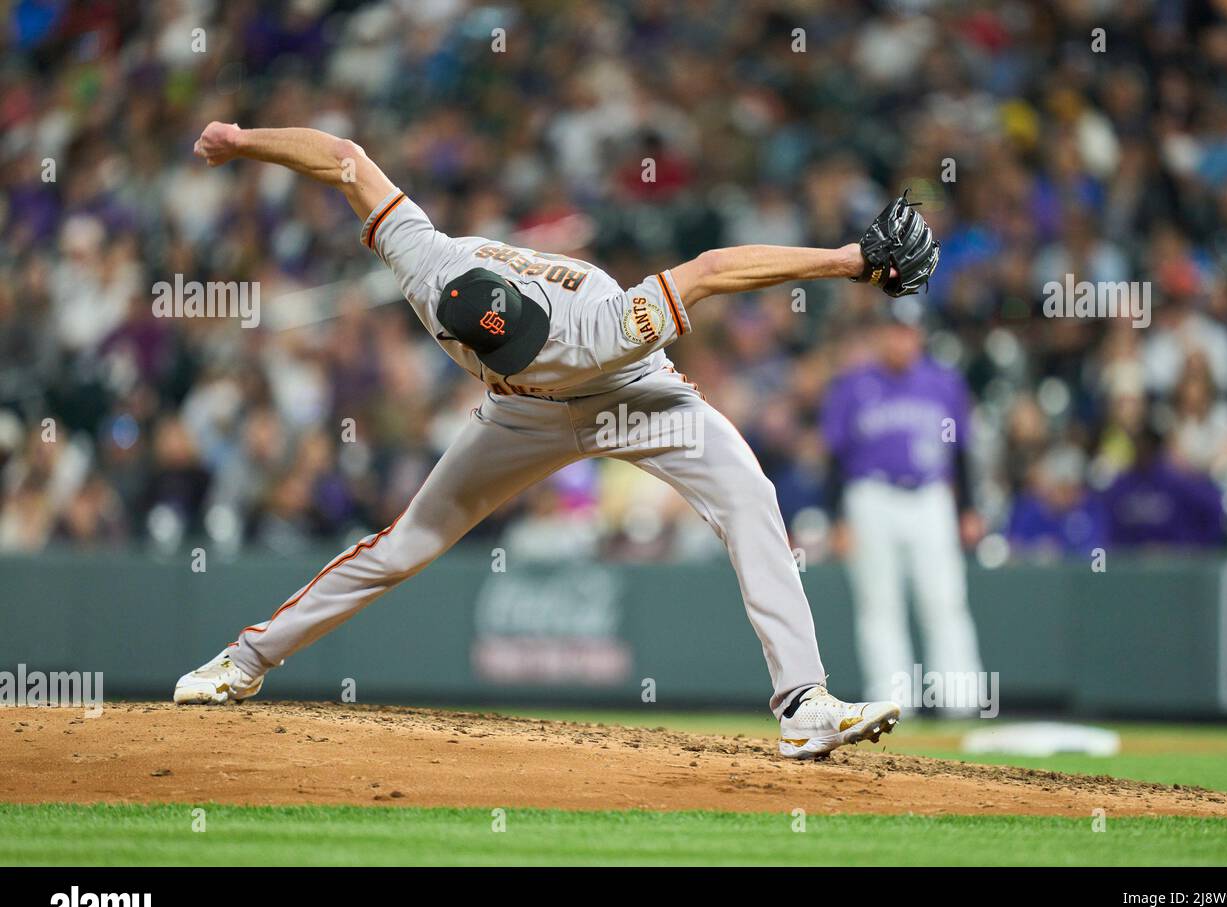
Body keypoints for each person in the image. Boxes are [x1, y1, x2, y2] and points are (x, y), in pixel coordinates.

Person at [172, 121, 940, 759]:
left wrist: (847, 262)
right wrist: (245, 140)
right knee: (405, 545)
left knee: (747, 492)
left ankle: (803, 703)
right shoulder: (429, 262)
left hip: (630, 391)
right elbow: (345, 160)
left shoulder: (593, 329)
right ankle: (241, 663)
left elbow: (708, 269)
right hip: (522, 416)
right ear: (452, 321)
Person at [821, 303, 985, 714]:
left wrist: (969, 508)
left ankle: (960, 699)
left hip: (931, 496)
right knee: (879, 603)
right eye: (893, 330)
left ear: (919, 335)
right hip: (870, 496)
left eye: (908, 331)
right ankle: (893, 701)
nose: (900, 339)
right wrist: (837, 517)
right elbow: (834, 458)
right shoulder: (852, 385)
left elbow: (962, 453)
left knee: (944, 598)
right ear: (880, 334)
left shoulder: (943, 383)